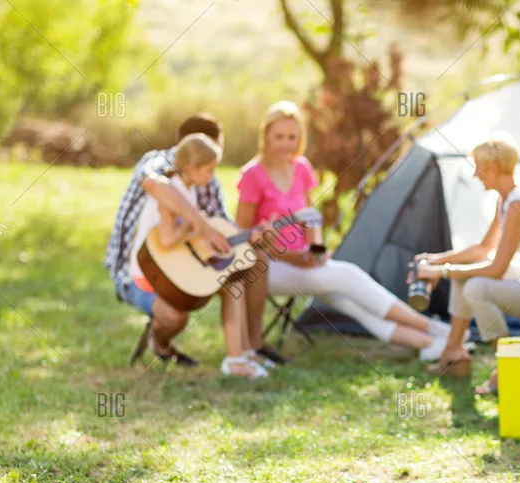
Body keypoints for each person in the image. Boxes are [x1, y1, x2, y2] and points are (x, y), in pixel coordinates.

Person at [236, 101, 451, 359]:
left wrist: (315, 251)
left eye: (292, 137)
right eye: (279, 137)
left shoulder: (301, 168)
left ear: (300, 138)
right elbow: (244, 235)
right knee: (347, 276)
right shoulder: (252, 175)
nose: (286, 143)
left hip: (304, 262)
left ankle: (429, 342)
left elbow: (310, 219)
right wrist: (292, 258)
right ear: (266, 137)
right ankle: (436, 328)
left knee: (347, 298)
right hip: (266, 268)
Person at [105, 112, 282, 367]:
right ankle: (163, 342)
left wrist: (251, 237)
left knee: (249, 263)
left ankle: (246, 351)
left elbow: (223, 228)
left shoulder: (202, 179)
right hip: (141, 271)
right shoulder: (160, 166)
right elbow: (156, 188)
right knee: (175, 316)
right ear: (193, 153)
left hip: (186, 261)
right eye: (211, 153)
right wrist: (198, 224)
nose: (214, 169)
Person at [413, 135, 520, 394]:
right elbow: (483, 249)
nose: (475, 175)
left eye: (477, 167)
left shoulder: (519, 204)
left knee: (476, 287)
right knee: (464, 278)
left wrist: (440, 272)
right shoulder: (507, 200)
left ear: (492, 168)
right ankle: (454, 353)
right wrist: (437, 259)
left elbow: (496, 268)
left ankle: (505, 368)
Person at [128, 134, 267, 378]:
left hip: (176, 267)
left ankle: (239, 357)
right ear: (192, 169)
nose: (212, 177)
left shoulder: (189, 192)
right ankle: (236, 358)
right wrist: (193, 225)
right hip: (152, 275)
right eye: (210, 170)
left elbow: (191, 240)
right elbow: (168, 239)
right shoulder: (172, 193)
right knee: (216, 292)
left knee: (234, 281)